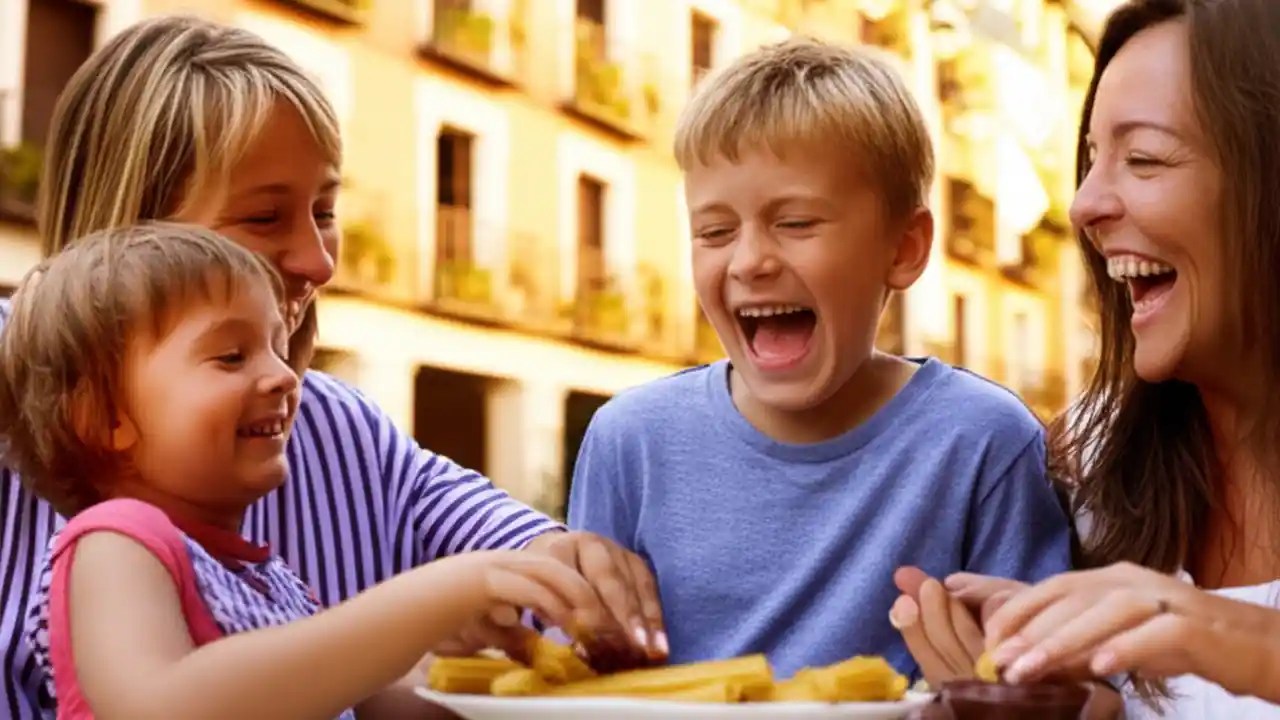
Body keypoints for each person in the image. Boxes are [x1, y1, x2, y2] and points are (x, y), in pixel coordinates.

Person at [0, 16, 662, 719]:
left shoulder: (327, 426)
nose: (318, 260)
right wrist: (446, 595)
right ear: (132, 237)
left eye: (325, 210)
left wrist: (570, 580)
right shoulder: (112, 542)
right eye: (264, 218)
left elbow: (524, 567)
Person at [565, 37, 1072, 682]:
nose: (749, 261)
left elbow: (1049, 683)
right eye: (715, 231)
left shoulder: (984, 442)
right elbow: (575, 670)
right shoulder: (629, 440)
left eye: (797, 222)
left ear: (905, 248)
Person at [0, 222, 615, 719]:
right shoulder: (114, 544)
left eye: (275, 345)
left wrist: (474, 681)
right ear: (105, 418)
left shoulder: (262, 577)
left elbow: (349, 701)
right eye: (231, 355)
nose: (283, 375)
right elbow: (166, 705)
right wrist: (445, 590)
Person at [894, 0, 1280, 714]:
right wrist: (1076, 701)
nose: (1083, 205)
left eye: (1144, 158)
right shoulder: (1092, 465)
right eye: (1092, 159)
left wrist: (1226, 636)